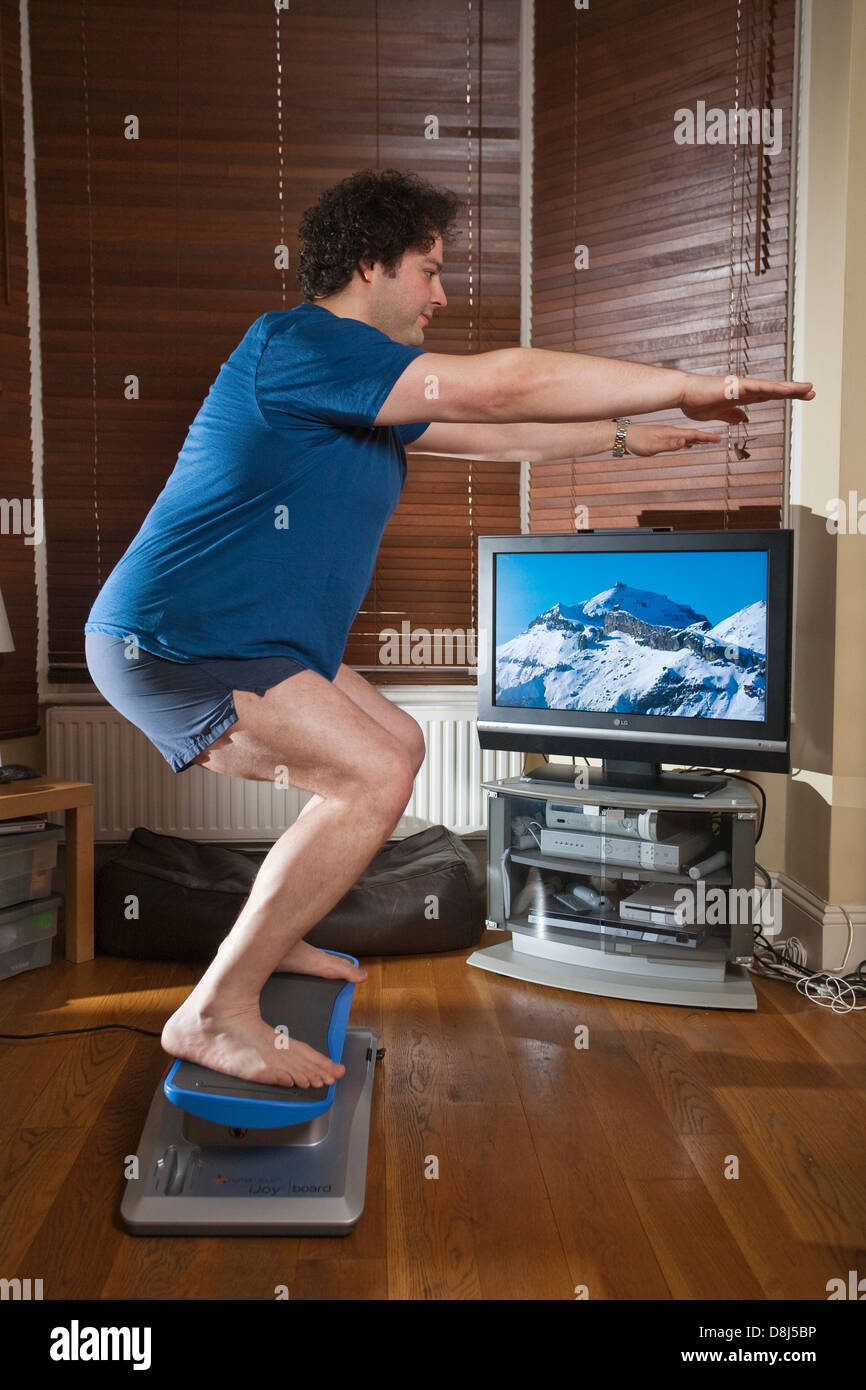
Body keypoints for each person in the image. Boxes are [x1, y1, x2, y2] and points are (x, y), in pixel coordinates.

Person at [83, 168, 815, 1090]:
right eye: (428, 270)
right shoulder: (297, 344)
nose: (441, 293)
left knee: (396, 741)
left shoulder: (361, 393)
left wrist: (629, 433)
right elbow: (497, 392)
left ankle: (278, 936)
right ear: (367, 263)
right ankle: (215, 1010)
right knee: (375, 774)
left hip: (252, 640)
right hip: (174, 637)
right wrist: (688, 382)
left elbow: (495, 435)